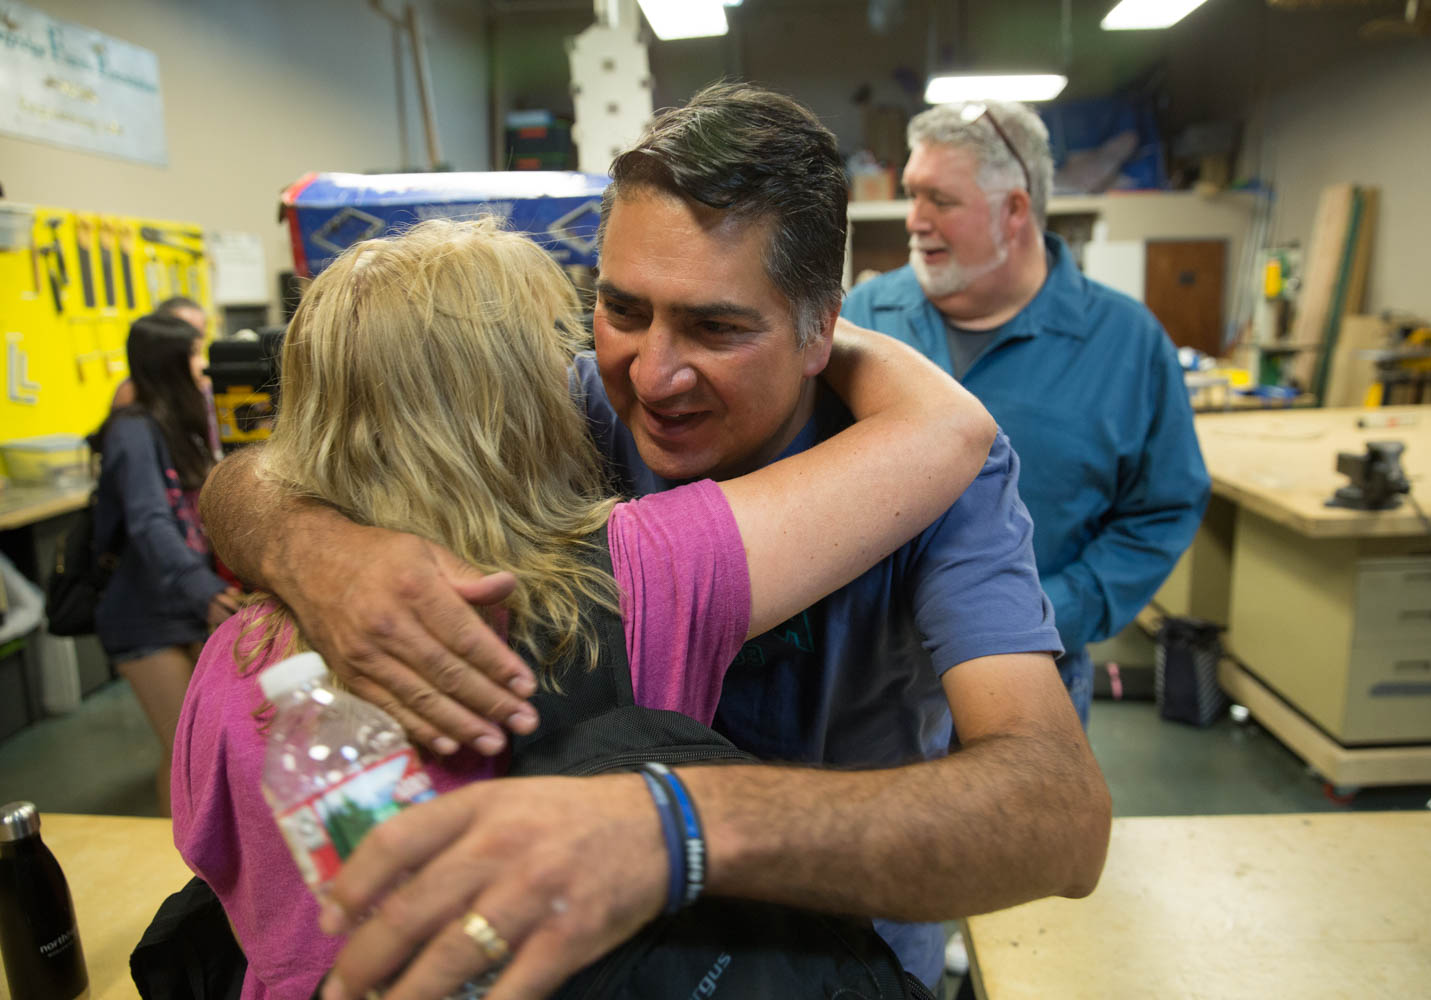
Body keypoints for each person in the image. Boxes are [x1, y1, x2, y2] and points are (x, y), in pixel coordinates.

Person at [199, 83, 1112, 995]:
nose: (655, 374)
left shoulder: (937, 479)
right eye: (623, 309)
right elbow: (282, 465)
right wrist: (311, 549)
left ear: (819, 329)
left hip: (836, 953)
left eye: (717, 327)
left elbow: (1059, 815)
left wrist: (673, 828)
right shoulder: (566, 413)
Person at [842, 99, 1211, 727]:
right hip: (869, 691)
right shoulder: (865, 320)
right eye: (912, 195)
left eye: (942, 200)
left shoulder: (1125, 343)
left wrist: (1049, 608)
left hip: (1033, 679)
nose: (915, 221)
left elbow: (1162, 508)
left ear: (1015, 210)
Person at [93, 313, 241, 815]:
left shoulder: (176, 423)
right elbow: (150, 521)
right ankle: (170, 865)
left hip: (181, 606)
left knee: (203, 746)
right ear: (171, 362)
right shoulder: (133, 431)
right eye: (196, 353)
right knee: (184, 752)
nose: (204, 367)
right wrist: (201, 588)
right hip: (144, 615)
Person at [111, 297, 208, 411]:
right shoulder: (131, 393)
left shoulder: (206, 382)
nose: (192, 337)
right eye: (181, 329)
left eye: (199, 334)